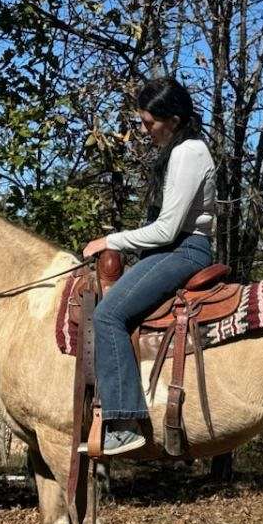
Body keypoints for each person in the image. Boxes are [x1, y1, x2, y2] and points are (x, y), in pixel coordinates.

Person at [82, 77, 216, 455]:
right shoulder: (177, 149)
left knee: (108, 315)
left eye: (148, 123)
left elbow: (167, 229)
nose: (143, 131)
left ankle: (125, 422)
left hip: (184, 249)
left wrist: (110, 241)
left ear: (172, 120)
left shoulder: (189, 152)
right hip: (171, 249)